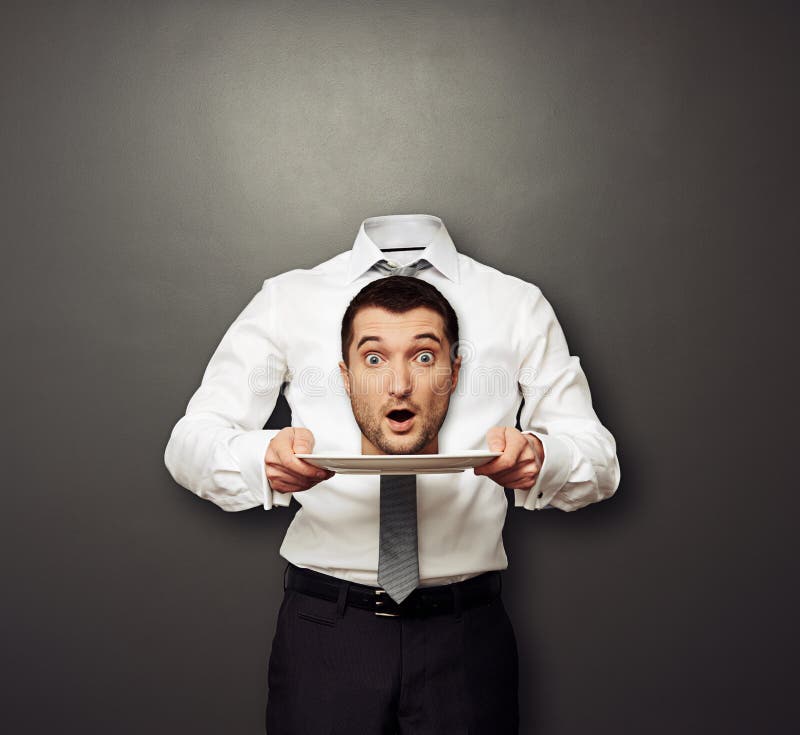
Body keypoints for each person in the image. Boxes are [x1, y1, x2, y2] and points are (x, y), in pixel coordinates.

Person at [164, 213, 621, 733]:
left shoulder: (515, 303)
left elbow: (599, 459)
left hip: (465, 635)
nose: (400, 384)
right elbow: (189, 443)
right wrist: (263, 459)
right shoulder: (288, 298)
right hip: (326, 631)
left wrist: (540, 458)